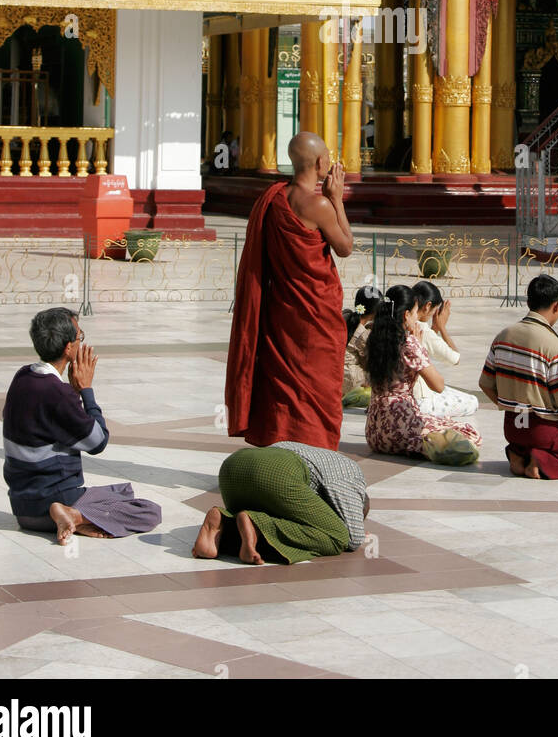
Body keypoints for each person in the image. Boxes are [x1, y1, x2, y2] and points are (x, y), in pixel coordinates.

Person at [225, 131, 353, 450]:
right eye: (327, 155)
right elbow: (345, 247)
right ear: (321, 162)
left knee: (284, 384)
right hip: (315, 317)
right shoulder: (320, 205)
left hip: (283, 309)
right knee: (317, 386)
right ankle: (313, 450)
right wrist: (337, 198)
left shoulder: (273, 198)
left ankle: (279, 443)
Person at [2, 308, 161, 544]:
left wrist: (71, 393)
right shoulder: (57, 393)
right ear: (68, 348)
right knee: (149, 510)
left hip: (23, 508)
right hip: (54, 500)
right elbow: (98, 442)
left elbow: (54, 420)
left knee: (122, 492)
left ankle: (78, 519)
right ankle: (75, 516)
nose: (81, 342)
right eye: (79, 337)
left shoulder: (22, 377)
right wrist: (86, 391)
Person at [479, 273, 558, 480]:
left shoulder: (503, 336)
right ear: (557, 306)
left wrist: (510, 405)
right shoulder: (553, 346)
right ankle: (539, 463)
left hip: (513, 425)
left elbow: (485, 384)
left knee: (533, 439)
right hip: (542, 428)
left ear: (529, 302)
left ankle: (519, 453)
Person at [192, 441, 369, 565]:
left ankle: (223, 525)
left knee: (268, 514)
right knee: (337, 537)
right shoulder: (352, 477)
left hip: (234, 466)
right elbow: (353, 540)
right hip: (276, 472)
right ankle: (255, 525)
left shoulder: (322, 458)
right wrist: (354, 526)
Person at [365, 285, 482, 465]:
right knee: (467, 433)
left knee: (439, 424)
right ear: (406, 315)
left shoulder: (374, 338)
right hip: (400, 425)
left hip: (375, 431)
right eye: (414, 312)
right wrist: (420, 349)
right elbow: (438, 385)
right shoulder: (410, 344)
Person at [411, 280, 478, 419]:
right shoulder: (422, 329)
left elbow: (425, 346)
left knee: (450, 391)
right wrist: (441, 327)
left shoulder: (399, 325)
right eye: (434, 311)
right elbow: (455, 358)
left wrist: (434, 328)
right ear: (427, 306)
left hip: (400, 398)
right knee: (473, 401)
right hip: (421, 401)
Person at [342, 283, 383, 408]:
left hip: (334, 370)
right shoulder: (363, 334)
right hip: (349, 377)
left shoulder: (345, 316)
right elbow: (368, 363)